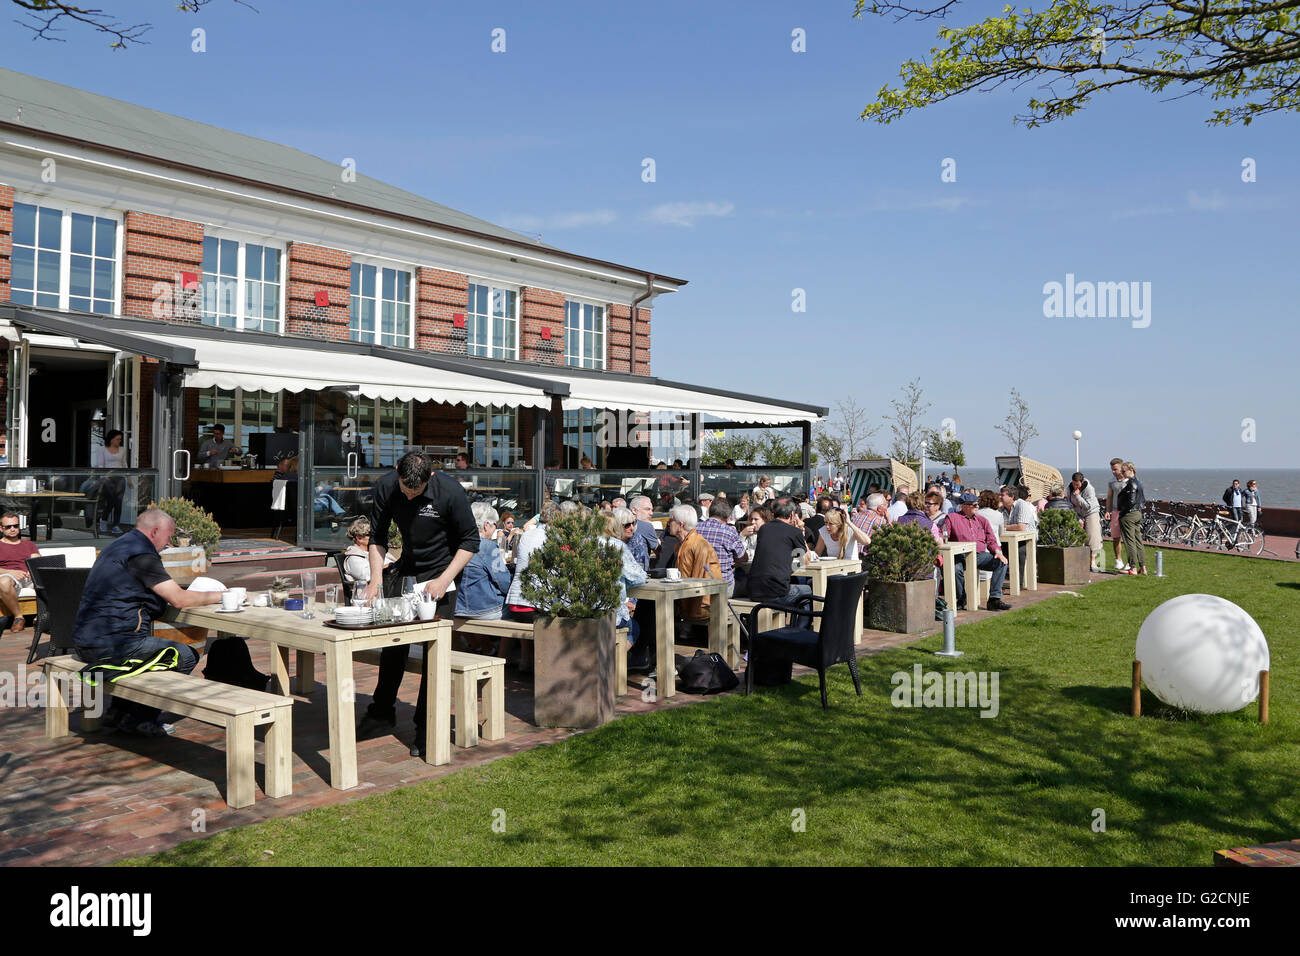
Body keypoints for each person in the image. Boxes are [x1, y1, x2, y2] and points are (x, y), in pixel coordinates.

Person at [358, 451, 480, 758]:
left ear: (431, 478)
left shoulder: (450, 491)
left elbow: (470, 541)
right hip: (406, 569)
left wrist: (443, 579)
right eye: (405, 489)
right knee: (393, 642)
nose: (409, 495)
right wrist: (374, 580)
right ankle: (381, 712)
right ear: (397, 471)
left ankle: (425, 728)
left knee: (433, 654)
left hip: (443, 575)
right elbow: (378, 536)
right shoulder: (386, 486)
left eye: (417, 491)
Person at [72, 508, 225, 735]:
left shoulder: (118, 546)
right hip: (115, 645)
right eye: (168, 536)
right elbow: (179, 599)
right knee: (185, 655)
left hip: (85, 640)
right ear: (154, 531)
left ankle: (119, 712)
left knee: (153, 658)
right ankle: (142, 718)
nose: (169, 543)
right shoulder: (142, 555)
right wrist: (224, 596)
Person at [746, 500, 813, 624]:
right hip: (776, 592)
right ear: (792, 515)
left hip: (753, 590)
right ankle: (801, 630)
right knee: (807, 590)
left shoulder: (764, 529)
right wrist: (800, 530)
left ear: (772, 514)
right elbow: (805, 560)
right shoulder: (794, 532)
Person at [944, 492, 1011, 611]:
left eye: (977, 504)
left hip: (979, 555)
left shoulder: (982, 520)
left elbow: (991, 540)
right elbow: (944, 536)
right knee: (955, 570)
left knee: (1002, 563)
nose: (977, 506)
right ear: (964, 506)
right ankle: (961, 598)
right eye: (974, 505)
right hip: (959, 555)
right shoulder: (952, 518)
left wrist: (997, 551)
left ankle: (994, 600)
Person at [455, 502, 512, 620]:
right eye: (495, 525)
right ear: (486, 525)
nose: (495, 529)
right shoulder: (488, 546)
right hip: (484, 609)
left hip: (457, 607)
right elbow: (504, 582)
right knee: (516, 609)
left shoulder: (455, 543)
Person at [670, 504, 723, 625]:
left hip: (702, 605)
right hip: (685, 600)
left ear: (681, 524)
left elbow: (698, 580)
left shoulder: (699, 544)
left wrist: (686, 610)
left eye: (671, 520)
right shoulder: (680, 544)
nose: (668, 523)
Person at [697, 498, 746, 597]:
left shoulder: (696, 528)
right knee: (751, 582)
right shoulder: (729, 531)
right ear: (728, 518)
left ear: (709, 512)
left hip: (698, 584)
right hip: (723, 586)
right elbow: (742, 558)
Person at [0, 511, 40, 630]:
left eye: (15, 526)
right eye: (8, 527)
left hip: (28, 576)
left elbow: (36, 561)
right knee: (3, 582)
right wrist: (11, 572)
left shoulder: (29, 544)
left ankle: (42, 618)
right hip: (9, 577)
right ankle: (19, 617)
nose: (12, 529)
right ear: (1, 528)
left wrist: (31, 569)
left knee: (47, 578)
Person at [340, 516, 396, 592]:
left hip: (389, 589)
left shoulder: (377, 551)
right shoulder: (353, 558)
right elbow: (368, 576)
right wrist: (390, 566)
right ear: (359, 538)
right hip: (371, 598)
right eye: (371, 535)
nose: (375, 537)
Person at [90, 429, 129, 532]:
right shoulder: (102, 449)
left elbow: (124, 464)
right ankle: (103, 520)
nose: (119, 441)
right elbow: (100, 465)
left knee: (118, 502)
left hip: (120, 478)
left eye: (120, 439)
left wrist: (128, 478)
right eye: (117, 439)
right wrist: (104, 477)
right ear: (111, 439)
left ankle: (116, 525)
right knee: (110, 501)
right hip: (107, 478)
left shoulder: (122, 449)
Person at [1068, 472, 1103, 571]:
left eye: (1077, 485)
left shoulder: (1089, 489)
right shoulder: (1069, 488)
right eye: (1074, 484)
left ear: (1082, 482)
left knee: (1092, 536)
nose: (1075, 486)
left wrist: (1078, 496)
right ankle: (1079, 561)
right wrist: (1078, 518)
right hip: (1078, 513)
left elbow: (1087, 506)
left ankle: (1093, 562)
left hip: (1091, 512)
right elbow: (1070, 504)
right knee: (1076, 536)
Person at [1117, 462, 1147, 575]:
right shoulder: (1139, 483)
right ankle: (1143, 567)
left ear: (1131, 470)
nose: (1122, 473)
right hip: (1137, 513)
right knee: (1138, 540)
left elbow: (1130, 501)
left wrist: (1123, 512)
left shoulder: (1131, 484)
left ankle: (1133, 568)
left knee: (1130, 541)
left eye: (1123, 471)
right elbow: (1142, 500)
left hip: (1129, 515)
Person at [1106, 457, 1128, 570]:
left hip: (1127, 513)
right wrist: (1107, 511)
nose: (1113, 472)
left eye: (1115, 469)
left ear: (1122, 468)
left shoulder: (1129, 481)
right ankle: (1118, 560)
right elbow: (1109, 497)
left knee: (1128, 538)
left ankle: (1130, 561)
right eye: (1112, 470)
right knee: (1116, 537)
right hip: (1115, 512)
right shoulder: (1111, 482)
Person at [628, 495, 660, 568]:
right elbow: (659, 551)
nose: (651, 513)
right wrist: (658, 542)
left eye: (652, 510)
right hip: (640, 573)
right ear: (634, 510)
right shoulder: (646, 526)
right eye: (647, 509)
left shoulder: (618, 523)